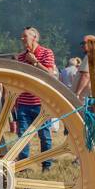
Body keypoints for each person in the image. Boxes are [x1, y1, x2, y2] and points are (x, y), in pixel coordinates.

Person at [15, 27, 57, 169]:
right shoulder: (20, 57)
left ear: (35, 38)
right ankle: (23, 165)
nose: (22, 39)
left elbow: (50, 75)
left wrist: (35, 62)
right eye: (21, 37)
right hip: (23, 103)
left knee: (45, 136)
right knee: (22, 136)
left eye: (25, 36)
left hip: (41, 103)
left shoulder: (46, 53)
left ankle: (47, 165)